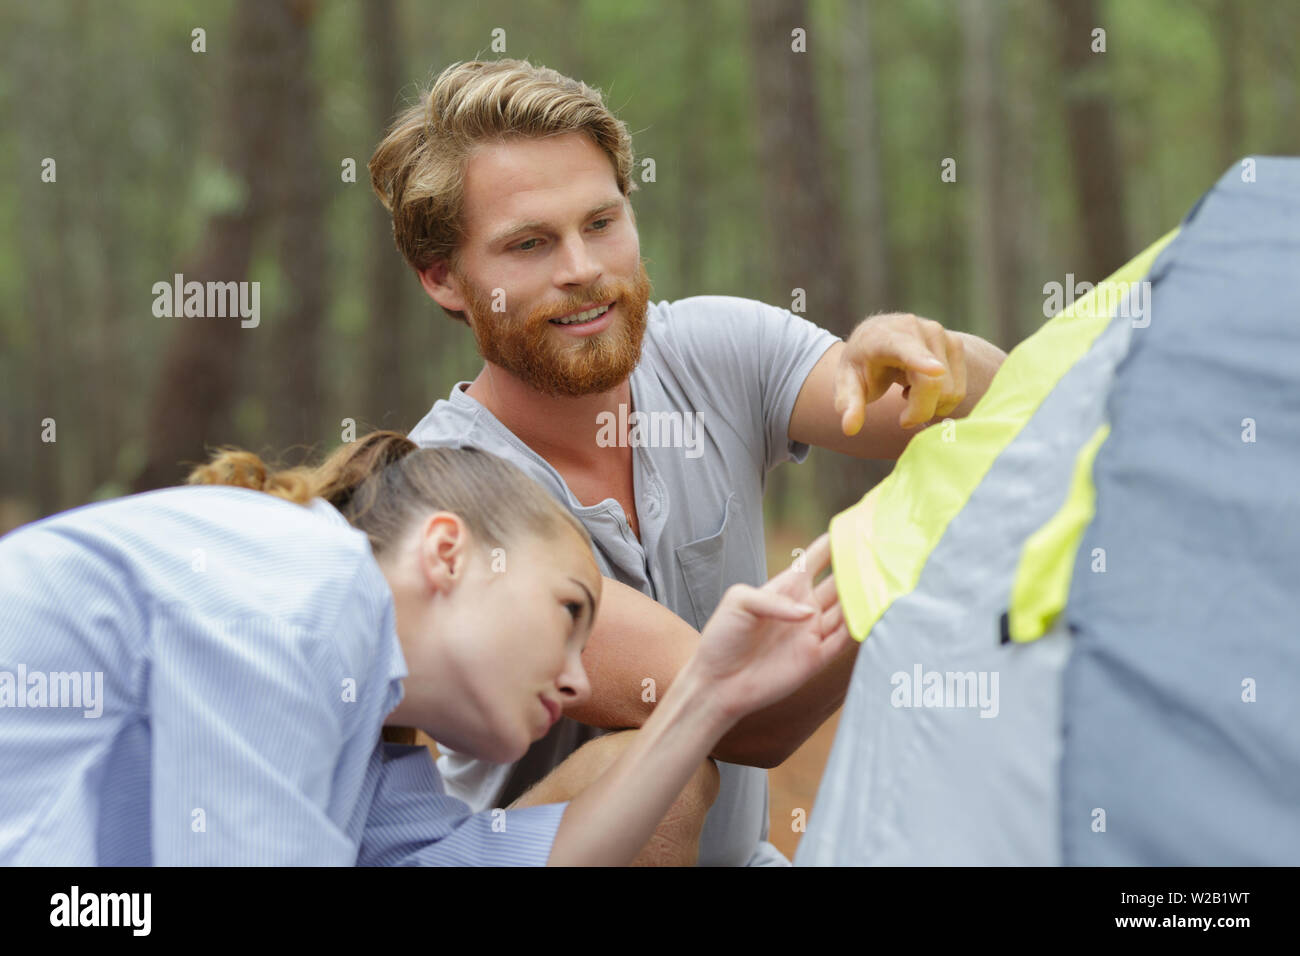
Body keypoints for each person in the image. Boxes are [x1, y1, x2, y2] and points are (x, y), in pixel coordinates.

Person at [367, 58, 1009, 865]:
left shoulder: (714, 348)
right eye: (530, 244)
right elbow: (747, 718)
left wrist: (937, 357)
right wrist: (928, 548)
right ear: (443, 279)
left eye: (601, 223)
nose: (582, 269)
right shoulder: (449, 490)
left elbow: (996, 406)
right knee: (663, 770)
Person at [0, 431, 846, 866]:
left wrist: (710, 698)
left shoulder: (359, 732)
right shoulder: (305, 583)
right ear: (447, 553)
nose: (579, 678)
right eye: (567, 610)